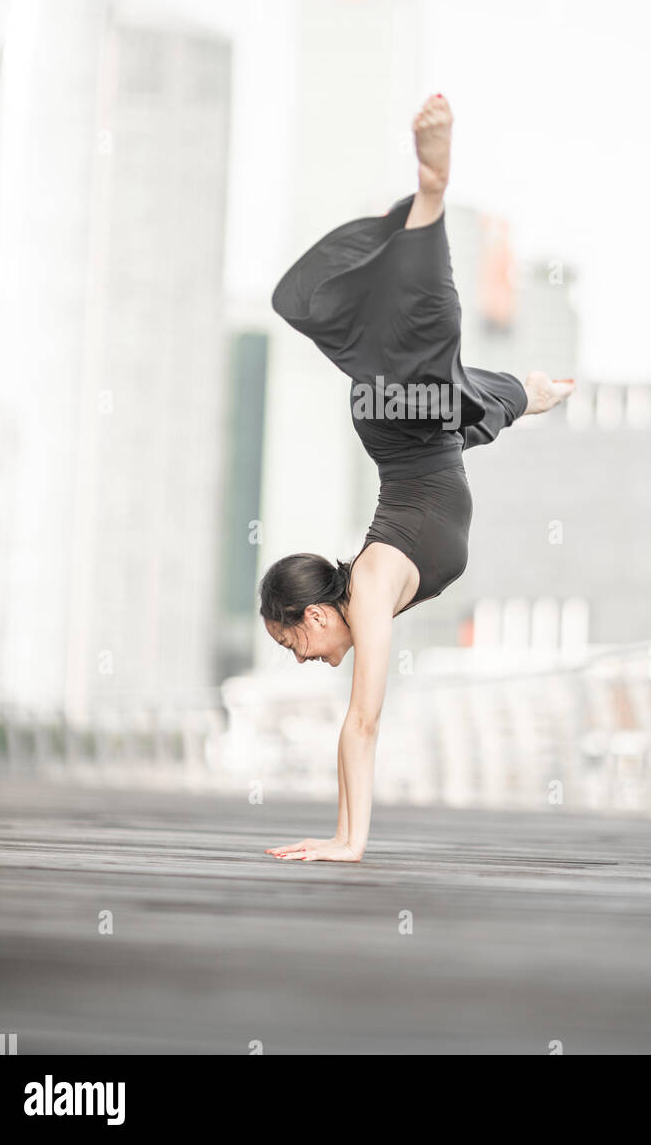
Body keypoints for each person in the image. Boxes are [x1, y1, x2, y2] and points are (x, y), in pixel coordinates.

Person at [261, 94, 574, 862]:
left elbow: (362, 723)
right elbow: (358, 724)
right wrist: (338, 832)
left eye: (292, 642)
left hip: (402, 422)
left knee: (425, 326)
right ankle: (530, 393)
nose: (301, 658)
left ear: (316, 613)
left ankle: (430, 191)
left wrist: (348, 843)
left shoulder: (368, 590)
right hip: (436, 429)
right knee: (483, 394)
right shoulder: (367, 590)